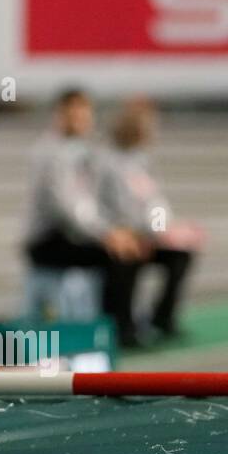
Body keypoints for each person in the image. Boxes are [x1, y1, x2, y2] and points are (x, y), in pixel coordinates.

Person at [23, 89, 146, 345]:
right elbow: (67, 209)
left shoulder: (92, 151)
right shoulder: (49, 153)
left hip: (81, 235)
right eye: (73, 114)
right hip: (49, 239)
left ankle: (123, 323)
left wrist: (121, 230)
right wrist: (108, 235)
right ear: (60, 115)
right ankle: (115, 330)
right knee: (116, 256)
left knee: (134, 249)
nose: (79, 120)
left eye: (83, 114)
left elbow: (102, 201)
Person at [100, 96, 202, 341]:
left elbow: (154, 203)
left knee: (181, 256)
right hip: (116, 236)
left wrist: (168, 230)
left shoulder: (142, 162)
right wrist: (137, 233)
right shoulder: (106, 163)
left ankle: (162, 318)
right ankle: (123, 326)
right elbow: (113, 208)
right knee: (127, 257)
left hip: (144, 235)